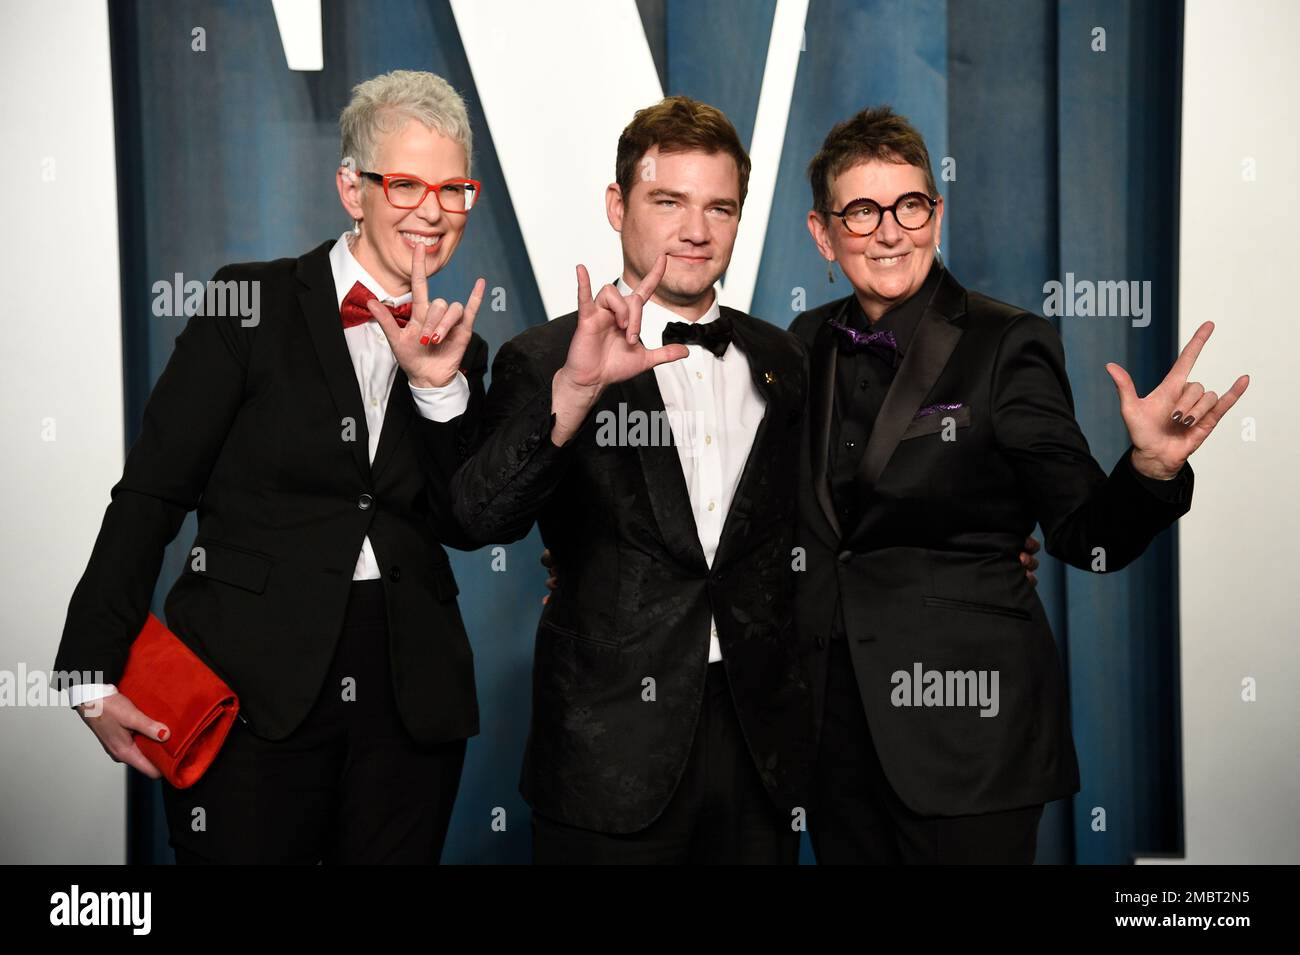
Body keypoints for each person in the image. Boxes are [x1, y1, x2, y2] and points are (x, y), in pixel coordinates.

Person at [791, 105, 1249, 864]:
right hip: (836, 738)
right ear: (823, 234)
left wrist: (1150, 471)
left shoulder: (1006, 342)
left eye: (909, 204)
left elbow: (1084, 533)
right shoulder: (806, 344)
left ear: (936, 215)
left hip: (970, 735)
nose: (890, 230)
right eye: (862, 210)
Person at [52, 69, 489, 864]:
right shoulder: (245, 304)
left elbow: (464, 522)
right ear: (351, 189)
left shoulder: (465, 349)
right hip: (249, 688)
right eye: (407, 183)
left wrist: (439, 390)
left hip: (411, 698)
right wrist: (90, 669)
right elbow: (152, 490)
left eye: (453, 187)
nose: (433, 210)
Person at [450, 97, 813, 864]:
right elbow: (481, 516)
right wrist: (573, 399)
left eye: (720, 206)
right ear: (618, 206)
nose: (696, 229)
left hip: (761, 748)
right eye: (668, 200)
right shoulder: (544, 357)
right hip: (606, 751)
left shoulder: (782, 358)